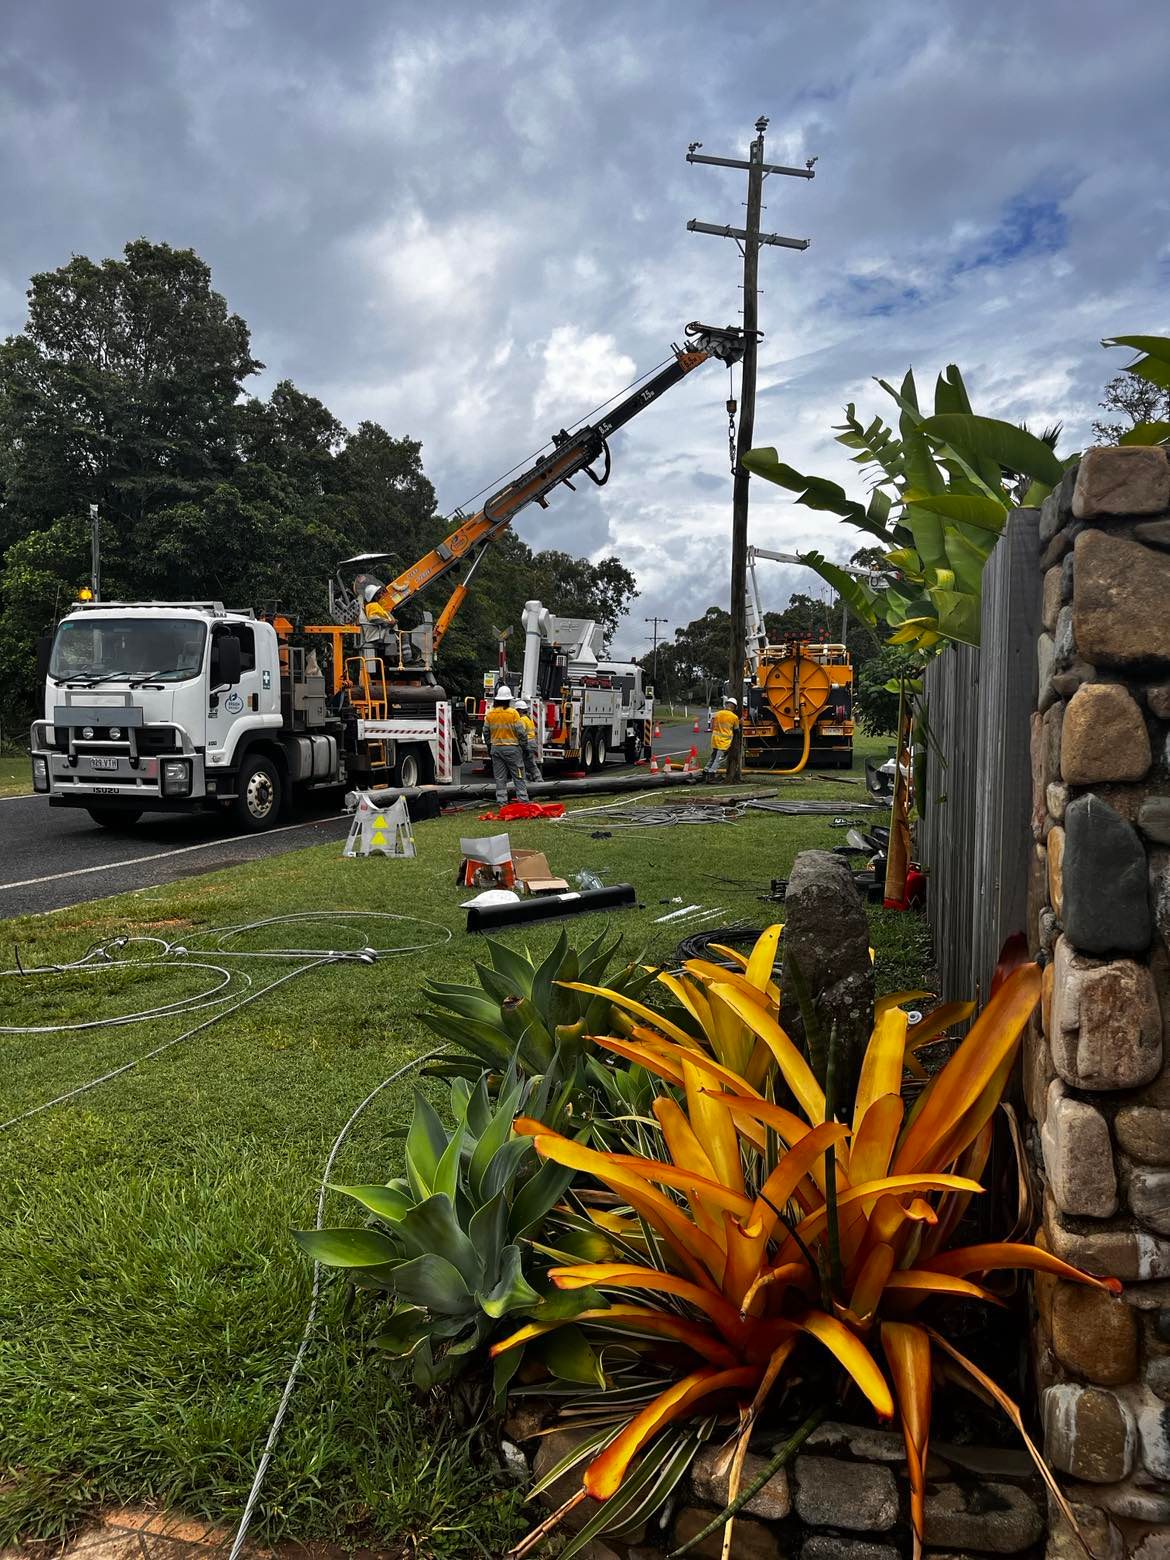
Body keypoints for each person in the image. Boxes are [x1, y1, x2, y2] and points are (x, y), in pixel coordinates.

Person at [483, 685, 531, 805]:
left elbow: (485, 732)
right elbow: (521, 733)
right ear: (509, 700)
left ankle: (502, 802)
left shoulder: (490, 714)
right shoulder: (513, 713)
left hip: (496, 749)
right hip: (512, 749)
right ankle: (523, 801)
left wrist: (490, 747)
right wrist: (524, 748)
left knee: (500, 778)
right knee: (519, 776)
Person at [704, 696, 740, 775]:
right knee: (718, 759)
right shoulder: (734, 717)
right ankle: (711, 774)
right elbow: (737, 730)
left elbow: (712, 724)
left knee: (713, 757)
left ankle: (705, 771)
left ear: (726, 705)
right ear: (734, 707)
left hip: (714, 739)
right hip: (724, 742)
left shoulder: (717, 714)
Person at [513, 697, 543, 784]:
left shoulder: (522, 720)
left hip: (527, 743)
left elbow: (521, 734)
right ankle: (538, 780)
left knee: (521, 763)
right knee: (531, 764)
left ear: (519, 710)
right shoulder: (529, 719)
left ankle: (524, 781)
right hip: (532, 743)